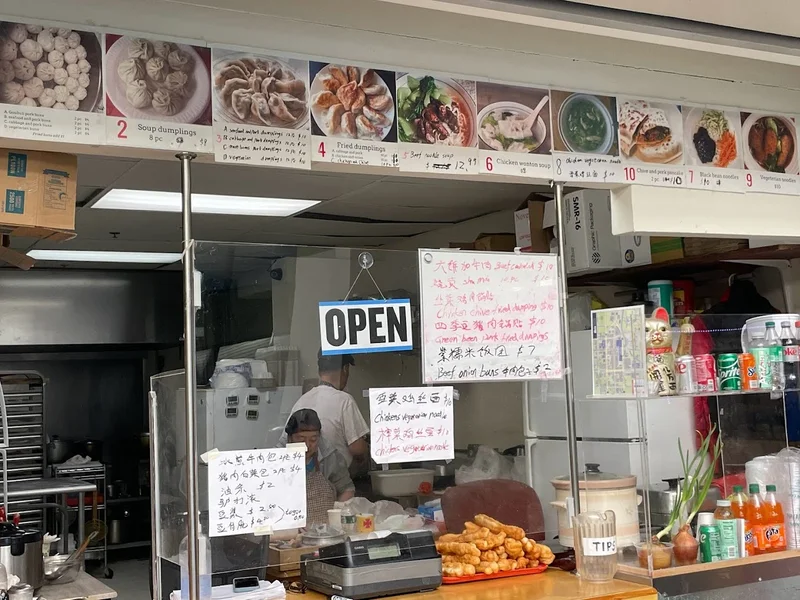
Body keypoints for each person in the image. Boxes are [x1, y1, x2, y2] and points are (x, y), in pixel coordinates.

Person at [284, 351, 369, 469]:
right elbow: (358, 449)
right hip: (335, 480)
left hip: (305, 477)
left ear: (320, 372)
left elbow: (286, 445)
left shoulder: (301, 401)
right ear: (345, 369)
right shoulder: (344, 400)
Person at [284, 409, 354, 525]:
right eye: (301, 439)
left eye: (313, 440)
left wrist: (335, 516)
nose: (307, 445)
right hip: (289, 531)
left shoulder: (330, 457)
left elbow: (347, 489)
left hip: (325, 529)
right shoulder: (276, 461)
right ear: (290, 439)